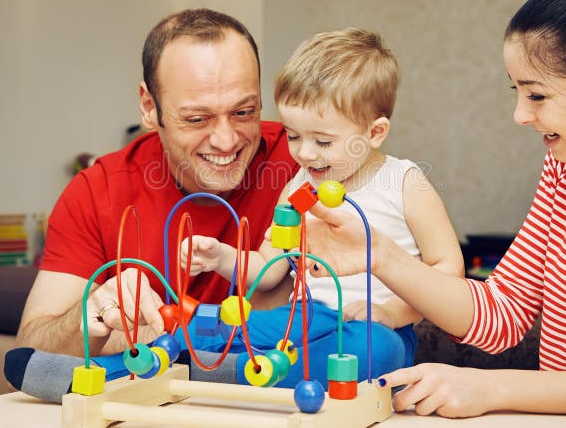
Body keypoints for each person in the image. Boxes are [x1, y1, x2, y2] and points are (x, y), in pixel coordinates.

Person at [303, 0, 566, 417]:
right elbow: (503, 311)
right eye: (518, 92)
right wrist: (381, 256)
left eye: (537, 96)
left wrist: (495, 389)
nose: (519, 115)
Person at [179, 28, 464, 388]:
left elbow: (448, 269)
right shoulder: (298, 188)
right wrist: (221, 257)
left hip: (372, 327)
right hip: (300, 318)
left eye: (323, 141)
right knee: (210, 327)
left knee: (377, 351)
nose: (305, 153)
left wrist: (393, 312)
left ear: (374, 133)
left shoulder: (405, 183)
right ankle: (167, 360)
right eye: (294, 136)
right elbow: (269, 270)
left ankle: (240, 375)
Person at [15, 9, 299, 358]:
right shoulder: (96, 192)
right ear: (149, 107)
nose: (226, 141)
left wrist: (153, 330)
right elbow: (28, 358)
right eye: (197, 119)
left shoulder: (306, 162)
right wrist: (94, 316)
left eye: (243, 112)